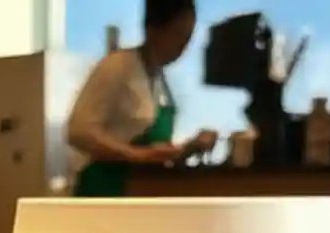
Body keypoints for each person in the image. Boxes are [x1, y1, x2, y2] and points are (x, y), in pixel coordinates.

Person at [66, 0, 219, 197]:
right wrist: (138, 155)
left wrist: (186, 149)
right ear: (152, 29)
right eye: (178, 34)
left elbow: (155, 150)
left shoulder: (160, 79)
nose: (183, 46)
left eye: (188, 37)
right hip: (105, 188)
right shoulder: (117, 67)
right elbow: (78, 132)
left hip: (139, 189)